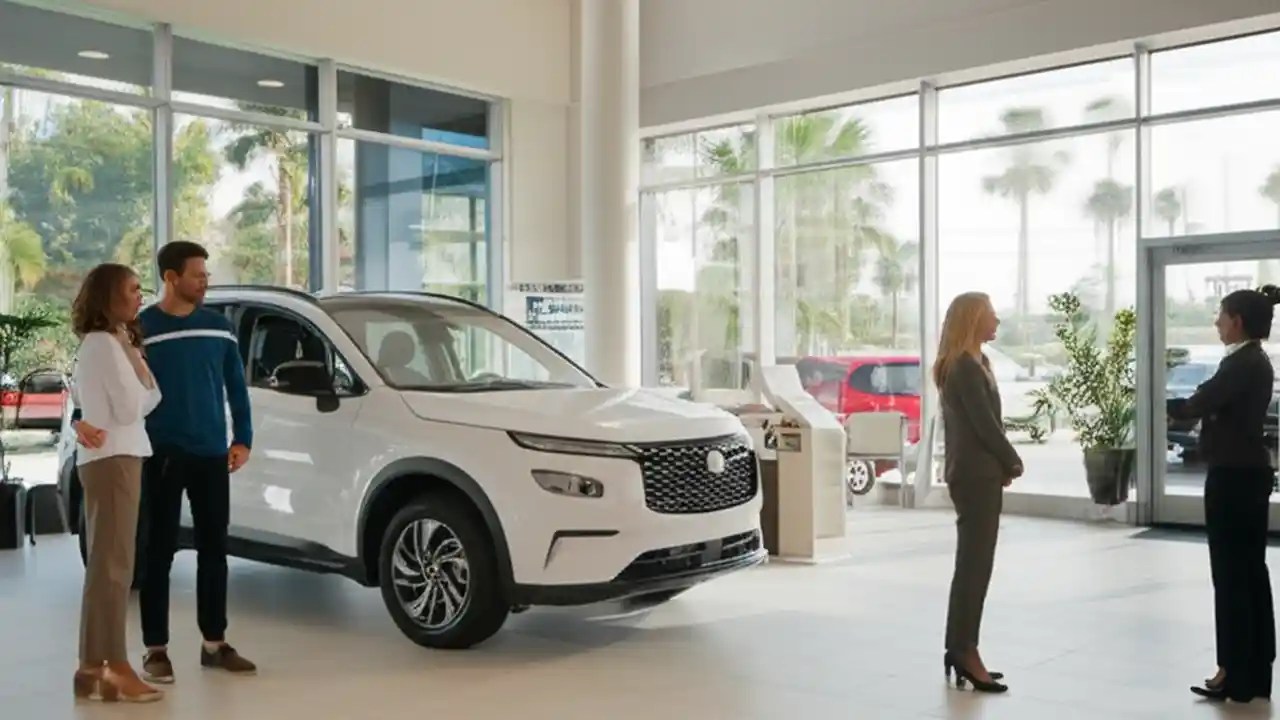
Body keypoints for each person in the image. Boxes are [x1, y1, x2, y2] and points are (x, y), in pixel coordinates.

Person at [76, 241, 256, 683]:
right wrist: (79, 418)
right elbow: (92, 380)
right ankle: (155, 649)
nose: (205, 282)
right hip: (159, 455)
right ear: (172, 278)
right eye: (198, 275)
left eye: (206, 275)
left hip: (212, 452)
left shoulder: (220, 328)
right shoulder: (139, 329)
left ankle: (215, 643)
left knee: (214, 550)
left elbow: (236, 386)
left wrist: (243, 438)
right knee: (157, 552)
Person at [1175, 285, 1280, 703]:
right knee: (1249, 574)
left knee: (1233, 576)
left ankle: (1234, 672)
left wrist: (1166, 406)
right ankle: (1253, 672)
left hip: (1234, 477)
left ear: (1237, 321)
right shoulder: (1252, 360)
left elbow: (1201, 402)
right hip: (1247, 474)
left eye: (1221, 314)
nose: (1217, 322)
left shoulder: (1242, 362)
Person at [70, 264, 164, 703]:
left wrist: (138, 370)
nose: (140, 296)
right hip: (114, 459)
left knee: (108, 567)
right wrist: (140, 374)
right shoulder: (106, 345)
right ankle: (112, 666)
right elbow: (132, 406)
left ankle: (93, 667)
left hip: (114, 457)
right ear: (109, 296)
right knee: (113, 568)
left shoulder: (113, 342)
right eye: (132, 289)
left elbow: (149, 396)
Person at [934, 292, 1022, 694]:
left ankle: (961, 647)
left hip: (979, 474)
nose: (997, 321)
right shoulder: (965, 369)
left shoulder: (975, 363)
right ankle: (964, 650)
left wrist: (1000, 465)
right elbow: (985, 425)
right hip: (974, 476)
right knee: (974, 566)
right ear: (972, 320)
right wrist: (1012, 461)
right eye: (991, 314)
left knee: (975, 565)